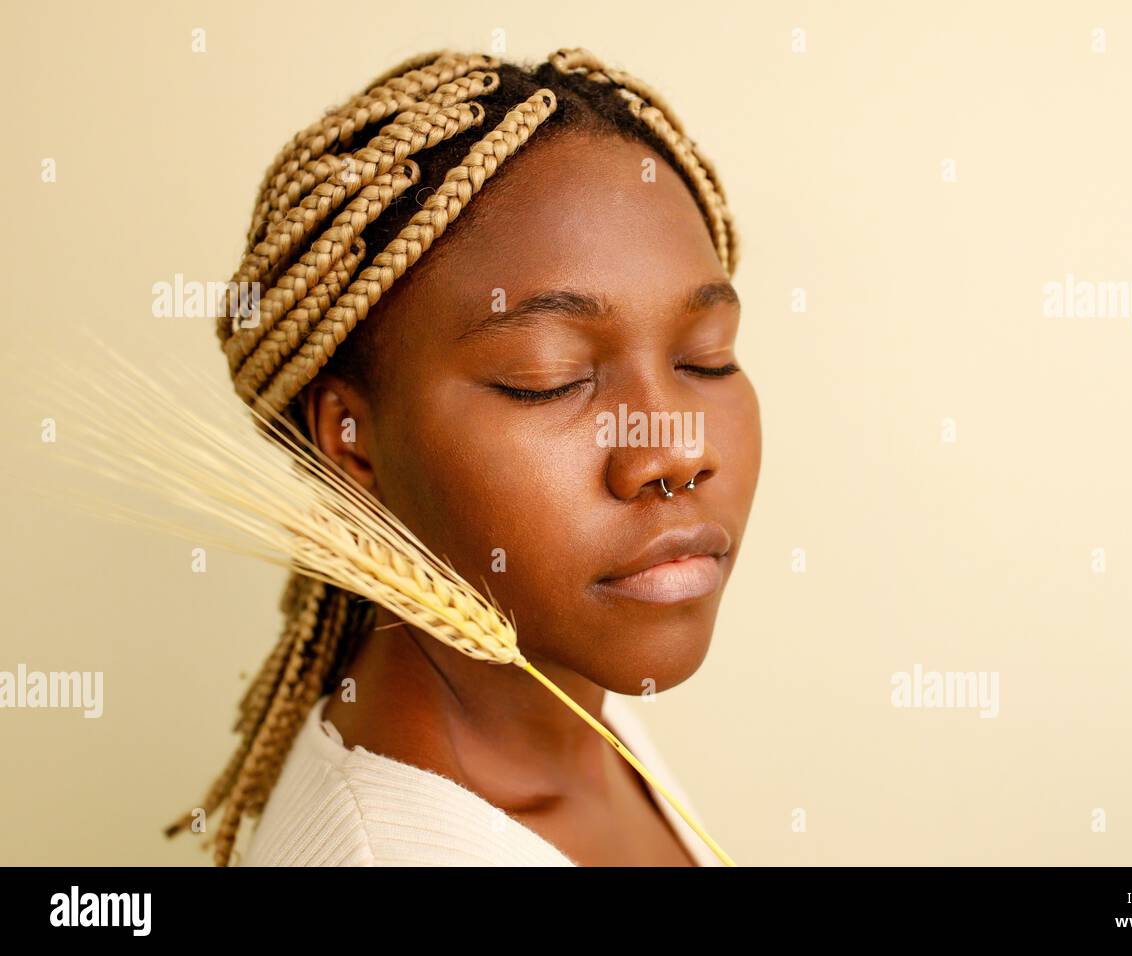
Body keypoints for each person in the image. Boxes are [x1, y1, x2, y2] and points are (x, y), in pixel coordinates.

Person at [165, 46, 761, 866]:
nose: (675, 451)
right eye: (550, 379)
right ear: (351, 438)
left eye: (707, 358)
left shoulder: (572, 723)